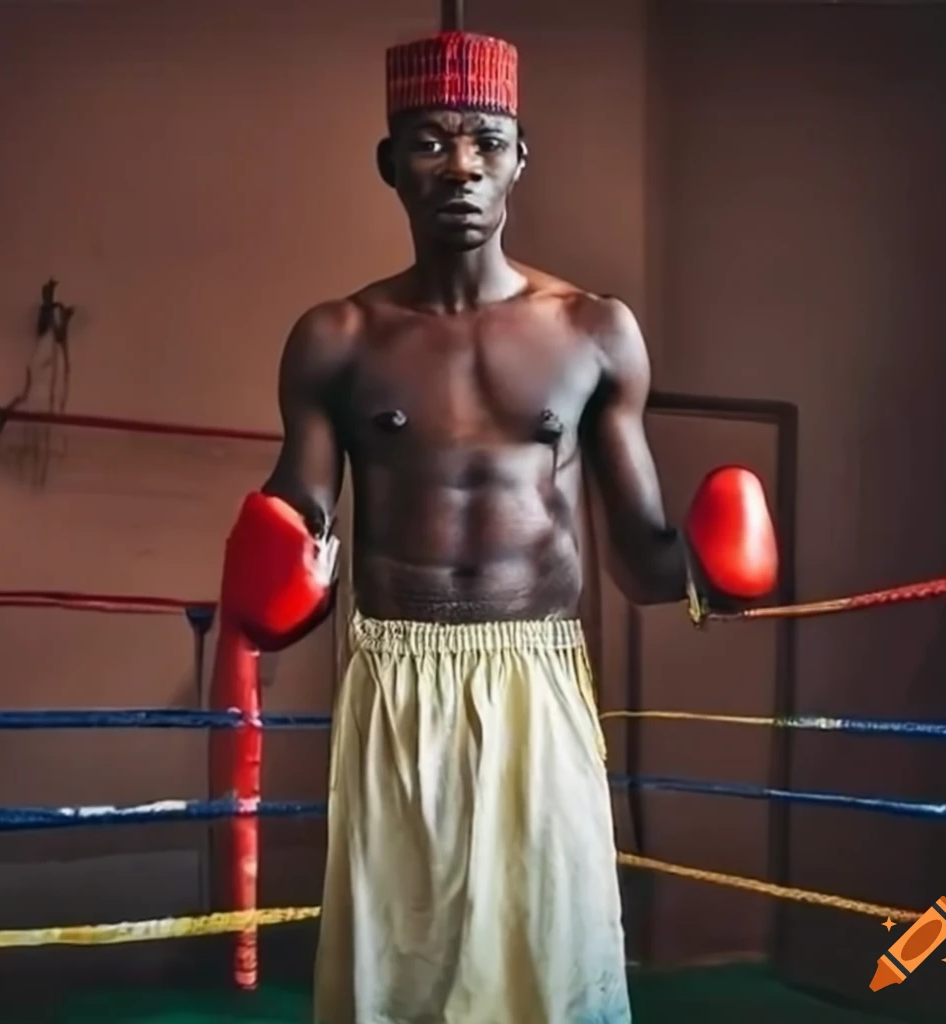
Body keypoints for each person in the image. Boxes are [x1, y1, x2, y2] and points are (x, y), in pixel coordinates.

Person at [213, 30, 779, 1024]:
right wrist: (273, 577)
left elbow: (639, 559)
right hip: (394, 674)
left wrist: (708, 569)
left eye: (485, 139)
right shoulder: (336, 338)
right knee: (403, 965)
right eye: (430, 142)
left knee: (546, 958)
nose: (461, 165)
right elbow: (298, 526)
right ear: (391, 165)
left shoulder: (593, 330)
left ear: (522, 157)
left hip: (537, 675)